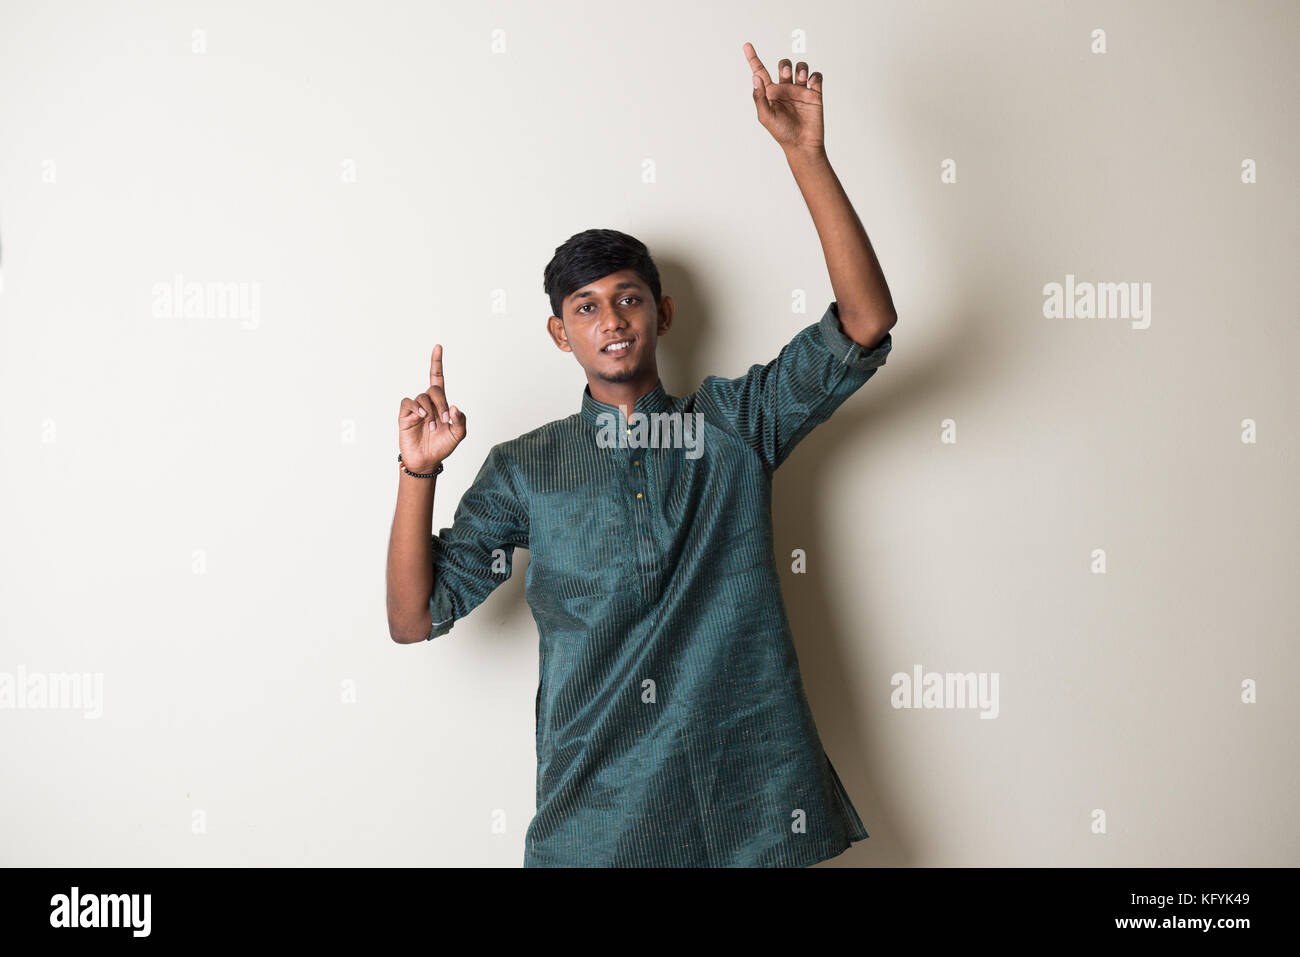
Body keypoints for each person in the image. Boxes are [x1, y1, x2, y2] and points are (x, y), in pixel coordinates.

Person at [385, 42, 898, 867]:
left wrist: (806, 156)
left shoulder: (734, 424)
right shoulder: (525, 468)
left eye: (627, 298)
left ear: (660, 311)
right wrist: (420, 472)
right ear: (561, 333)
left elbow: (865, 322)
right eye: (586, 308)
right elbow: (414, 617)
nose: (612, 320)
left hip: (751, 807)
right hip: (599, 820)